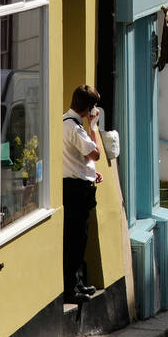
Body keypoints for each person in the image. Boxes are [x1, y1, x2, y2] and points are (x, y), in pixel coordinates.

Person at [62, 84, 104, 303]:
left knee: (77, 239)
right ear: (88, 109)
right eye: (93, 107)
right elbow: (95, 154)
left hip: (75, 185)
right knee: (76, 240)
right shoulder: (75, 128)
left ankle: (77, 283)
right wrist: (94, 126)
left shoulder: (65, 123)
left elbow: (78, 159)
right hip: (77, 191)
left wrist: (90, 173)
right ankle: (70, 290)